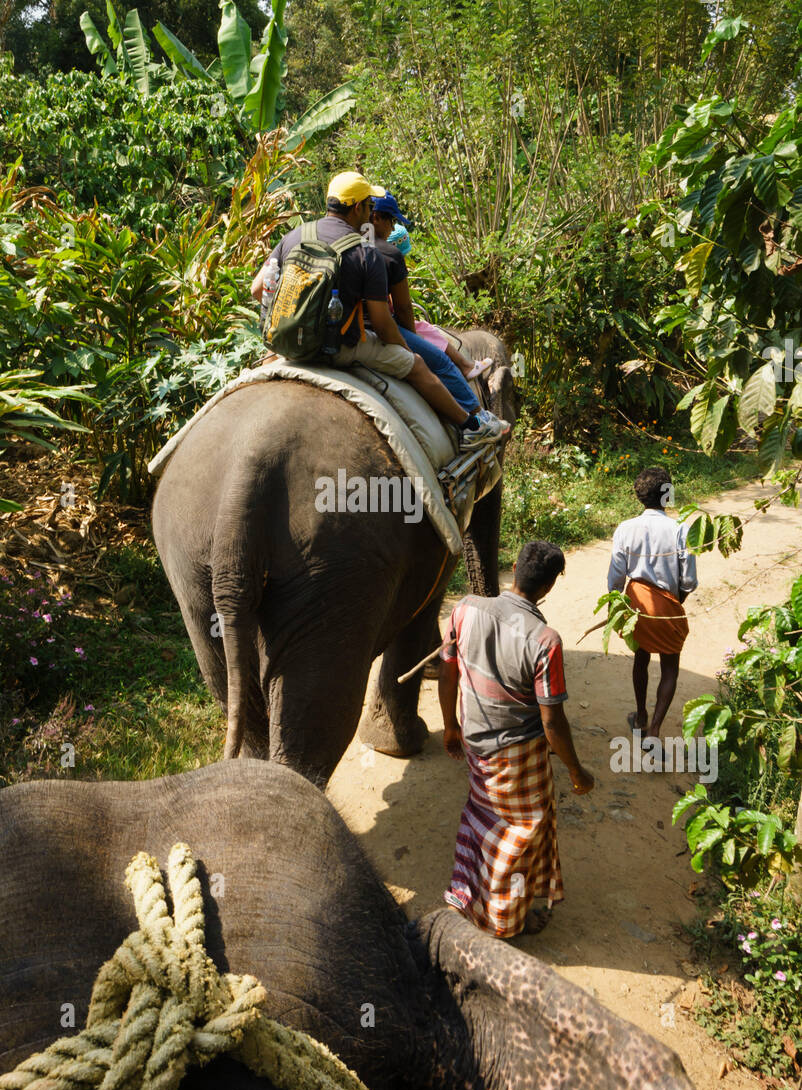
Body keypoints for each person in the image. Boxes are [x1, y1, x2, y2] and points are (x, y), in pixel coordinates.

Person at [251, 171, 505, 449]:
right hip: (340, 349)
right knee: (418, 366)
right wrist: (407, 352)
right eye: (370, 205)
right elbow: (383, 326)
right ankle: (471, 426)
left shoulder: (294, 236)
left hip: (287, 343)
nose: (371, 212)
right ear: (358, 207)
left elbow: (257, 289)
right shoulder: (365, 252)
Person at [439, 540, 594, 940]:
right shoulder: (545, 641)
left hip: (475, 744)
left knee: (483, 821)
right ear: (549, 587)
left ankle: (470, 898)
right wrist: (577, 771)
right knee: (520, 839)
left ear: (513, 567)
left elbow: (448, 672)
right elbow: (552, 721)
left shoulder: (465, 608)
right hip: (518, 757)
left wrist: (450, 726)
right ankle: (509, 920)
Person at [606, 466, 698, 749]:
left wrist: (617, 607)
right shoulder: (681, 529)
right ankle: (655, 729)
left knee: (641, 658)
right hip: (669, 605)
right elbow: (689, 580)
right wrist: (674, 600)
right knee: (670, 667)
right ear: (667, 495)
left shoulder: (625, 528)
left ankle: (641, 716)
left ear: (639, 497)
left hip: (637, 607)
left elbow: (615, 578)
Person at [370, 192, 493, 382]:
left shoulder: (357, 250)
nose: (393, 226)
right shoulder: (388, 256)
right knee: (428, 333)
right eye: (392, 221)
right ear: (377, 218)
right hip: (387, 322)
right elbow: (401, 307)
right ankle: (465, 368)